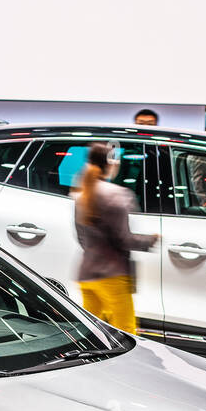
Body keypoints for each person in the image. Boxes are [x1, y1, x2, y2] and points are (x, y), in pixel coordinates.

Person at [74, 143, 158, 334]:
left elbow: (81, 238)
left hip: (87, 274)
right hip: (112, 276)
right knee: (126, 331)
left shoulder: (82, 194)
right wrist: (151, 240)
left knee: (91, 333)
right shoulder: (118, 195)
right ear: (111, 164)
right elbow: (124, 239)